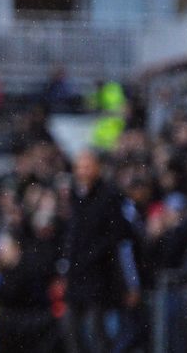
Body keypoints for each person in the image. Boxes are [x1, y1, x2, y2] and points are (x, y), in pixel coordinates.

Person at [62, 148, 140, 352]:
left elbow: (120, 238)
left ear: (97, 168)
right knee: (71, 327)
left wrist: (128, 282)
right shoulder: (75, 196)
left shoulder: (110, 196)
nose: (83, 171)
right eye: (80, 167)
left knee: (97, 330)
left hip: (100, 276)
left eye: (87, 166)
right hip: (78, 274)